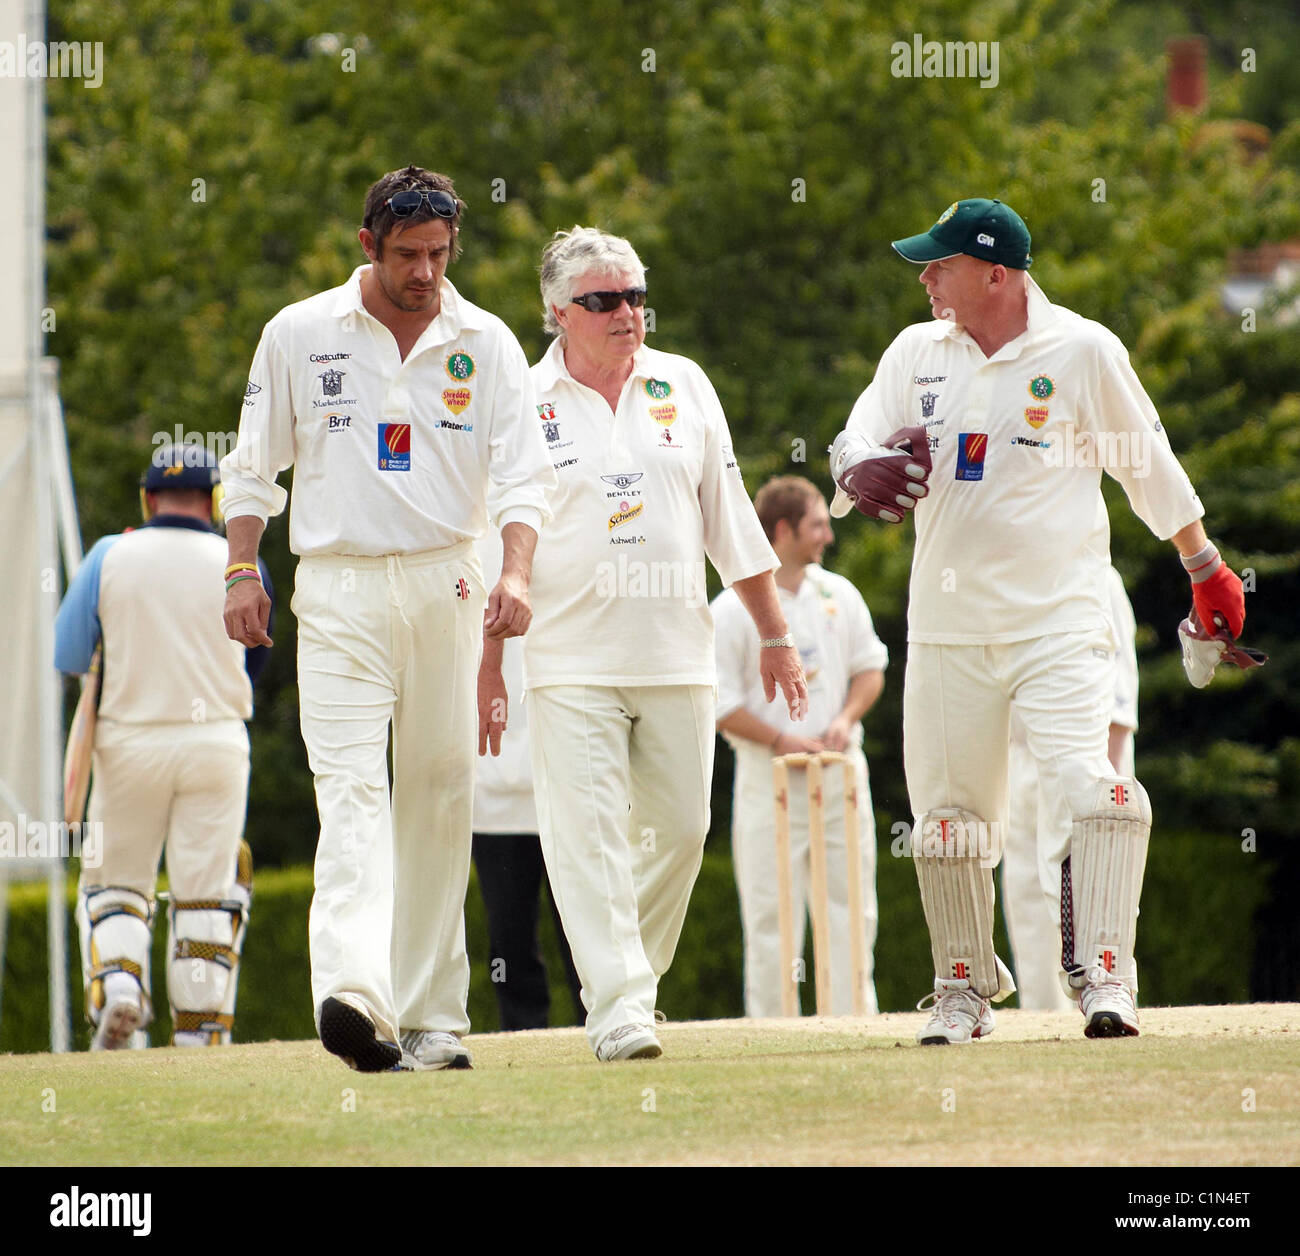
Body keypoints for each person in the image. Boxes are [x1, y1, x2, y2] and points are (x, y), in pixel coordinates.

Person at [829, 198, 1246, 1042]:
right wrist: (859, 468)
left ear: (996, 272)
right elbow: (851, 438)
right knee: (947, 823)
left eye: (939, 263)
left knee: (1099, 792)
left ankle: (1106, 980)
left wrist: (1202, 564)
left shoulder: (1082, 350)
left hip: (1059, 620)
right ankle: (961, 991)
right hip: (948, 624)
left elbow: (1147, 465)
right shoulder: (918, 351)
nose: (924, 276)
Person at [219, 166, 556, 1072]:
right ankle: (353, 997)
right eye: (408, 254)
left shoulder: (484, 341)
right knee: (354, 794)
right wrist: (241, 567)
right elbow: (253, 470)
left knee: (443, 796)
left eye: (440, 254)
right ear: (368, 245)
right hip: (336, 587)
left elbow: (525, 479)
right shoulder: (299, 332)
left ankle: (434, 1018)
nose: (426, 272)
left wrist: (514, 574)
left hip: (450, 579)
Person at [520, 226, 807, 1062]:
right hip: (569, 658)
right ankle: (618, 1009)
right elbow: (497, 535)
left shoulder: (682, 383)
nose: (627, 314)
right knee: (590, 838)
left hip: (679, 652)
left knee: (681, 832)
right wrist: (484, 665)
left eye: (637, 296)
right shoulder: (523, 402)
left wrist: (775, 635)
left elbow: (732, 518)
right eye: (604, 300)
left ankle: (625, 987)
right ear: (557, 311)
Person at [54, 444, 270, 1050]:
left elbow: (68, 656)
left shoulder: (107, 555)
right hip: (218, 744)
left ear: (148, 500)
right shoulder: (241, 562)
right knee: (207, 891)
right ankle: (199, 1030)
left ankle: (121, 985)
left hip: (129, 743)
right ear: (216, 502)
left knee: (116, 882)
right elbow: (253, 659)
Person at [712, 475, 888, 1017]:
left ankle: (854, 1021)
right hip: (770, 776)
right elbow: (721, 704)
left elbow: (870, 669)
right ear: (783, 530)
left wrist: (844, 720)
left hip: (839, 771)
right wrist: (781, 738)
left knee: (851, 905)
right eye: (817, 525)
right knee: (771, 910)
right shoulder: (731, 609)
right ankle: (774, 1029)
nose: (827, 538)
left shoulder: (840, 594)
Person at [1001, 565, 1138, 1010]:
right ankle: (1039, 1013)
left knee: (1083, 890)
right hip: (1020, 756)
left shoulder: (1100, 578)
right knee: (1024, 889)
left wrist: (1112, 778)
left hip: (1084, 755)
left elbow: (1119, 683)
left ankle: (1100, 995)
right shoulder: (1009, 574)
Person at [471, 527, 584, 1031]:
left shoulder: (567, 535)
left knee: (584, 930)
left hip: (567, 785)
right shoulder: (469, 542)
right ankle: (521, 1038)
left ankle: (606, 1023)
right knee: (510, 941)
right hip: (493, 794)